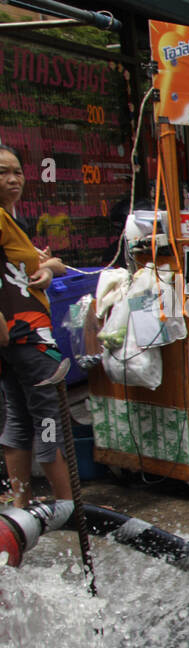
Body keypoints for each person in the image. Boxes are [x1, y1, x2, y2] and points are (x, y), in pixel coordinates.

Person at [0, 144, 73, 508]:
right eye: (2, 172)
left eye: (17, 171)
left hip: (18, 337)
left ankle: (20, 505)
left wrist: (47, 268)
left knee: (18, 415)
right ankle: (66, 505)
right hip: (27, 335)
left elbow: (33, 267)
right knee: (47, 416)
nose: (13, 179)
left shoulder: (13, 220)